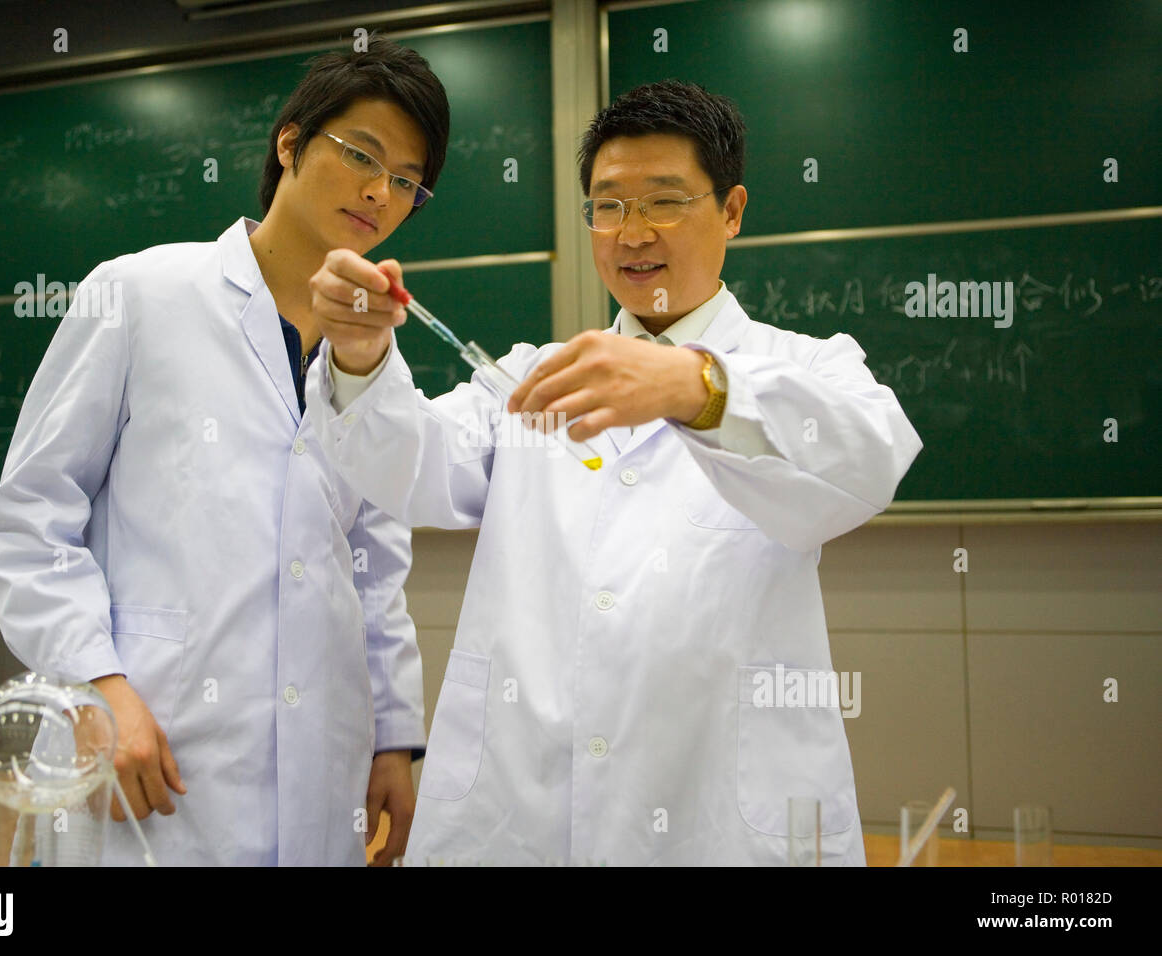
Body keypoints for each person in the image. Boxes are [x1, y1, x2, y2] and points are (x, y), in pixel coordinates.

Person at [303, 80, 923, 865]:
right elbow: (409, 467)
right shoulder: (535, 376)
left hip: (715, 827)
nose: (631, 235)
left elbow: (872, 455)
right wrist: (359, 358)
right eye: (607, 205)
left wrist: (695, 387)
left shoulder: (803, 365)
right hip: (517, 820)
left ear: (732, 210)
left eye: (664, 202)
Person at [0, 37, 450, 866]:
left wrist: (393, 734)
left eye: (407, 181)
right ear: (290, 143)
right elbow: (29, 521)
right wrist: (100, 685)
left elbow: (376, 564)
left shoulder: (376, 354)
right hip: (145, 745)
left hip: (322, 761)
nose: (381, 191)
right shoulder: (139, 293)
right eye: (361, 155)